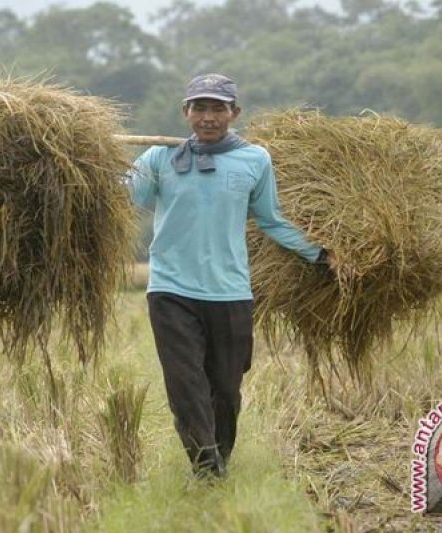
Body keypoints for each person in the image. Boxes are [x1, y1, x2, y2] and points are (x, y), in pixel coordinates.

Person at [128, 73, 331, 479]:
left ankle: (221, 455)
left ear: (234, 113)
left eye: (217, 108)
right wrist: (91, 166)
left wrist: (321, 255)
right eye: (199, 108)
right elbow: (126, 197)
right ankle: (207, 469)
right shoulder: (159, 158)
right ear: (185, 112)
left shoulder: (255, 160)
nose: (208, 117)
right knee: (185, 384)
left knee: (225, 388)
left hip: (230, 292)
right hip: (170, 289)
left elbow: (271, 220)